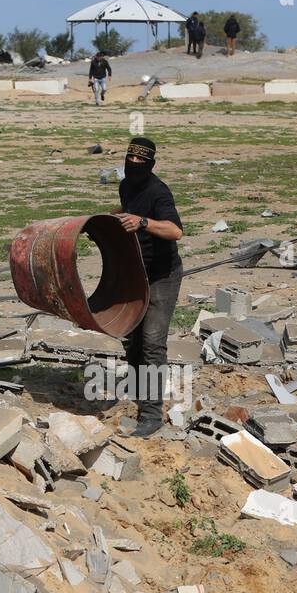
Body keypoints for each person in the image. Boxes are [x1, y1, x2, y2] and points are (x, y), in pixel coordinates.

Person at [113, 137, 184, 437]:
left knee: (153, 342)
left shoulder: (159, 192)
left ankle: (152, 414)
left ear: (151, 164)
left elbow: (175, 230)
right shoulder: (126, 185)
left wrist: (142, 222)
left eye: (141, 162)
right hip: (136, 274)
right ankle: (138, 386)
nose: (135, 165)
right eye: (131, 159)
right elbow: (127, 208)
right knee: (132, 337)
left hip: (162, 276)